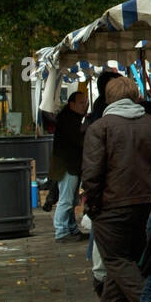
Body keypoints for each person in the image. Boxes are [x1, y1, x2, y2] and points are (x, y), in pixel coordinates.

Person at [80, 78, 151, 302]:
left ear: (108, 98)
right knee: (126, 261)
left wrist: (91, 204)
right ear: (135, 96)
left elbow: (92, 172)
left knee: (118, 262)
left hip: (112, 204)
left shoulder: (100, 127)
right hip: (149, 203)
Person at [51, 91, 89, 242]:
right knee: (66, 200)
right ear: (71, 104)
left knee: (71, 199)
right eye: (81, 103)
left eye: (85, 103)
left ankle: (71, 228)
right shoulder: (69, 120)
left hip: (70, 164)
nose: (84, 106)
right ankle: (61, 231)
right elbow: (77, 140)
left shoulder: (69, 118)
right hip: (67, 164)